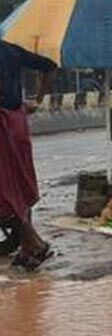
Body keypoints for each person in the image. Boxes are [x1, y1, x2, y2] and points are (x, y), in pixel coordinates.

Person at [0, 40, 56, 270]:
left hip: (2, 124)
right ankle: (27, 247)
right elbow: (50, 66)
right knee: (20, 183)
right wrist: (38, 100)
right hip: (17, 120)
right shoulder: (10, 49)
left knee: (4, 189)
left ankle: (33, 243)